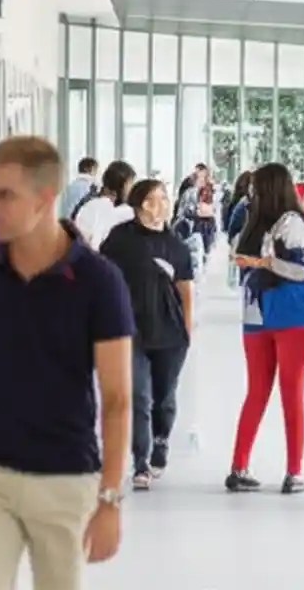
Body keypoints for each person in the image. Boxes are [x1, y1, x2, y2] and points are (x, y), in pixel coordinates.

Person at [0, 137, 134, 589]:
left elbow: (117, 398)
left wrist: (110, 498)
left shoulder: (100, 282)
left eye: (5, 196)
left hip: (67, 478)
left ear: (45, 198)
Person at [226, 163, 304, 494]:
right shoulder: (266, 224)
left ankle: (253, 467)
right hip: (281, 316)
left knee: (268, 393)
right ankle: (287, 472)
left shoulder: (285, 224)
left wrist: (263, 263)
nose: (253, 194)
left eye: (257, 188)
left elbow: (299, 270)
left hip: (270, 316)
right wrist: (262, 263)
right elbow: (301, 273)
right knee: (284, 394)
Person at [101, 179, 196, 491]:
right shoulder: (119, 240)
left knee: (164, 397)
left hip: (170, 332)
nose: (160, 206)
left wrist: (188, 327)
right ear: (139, 205)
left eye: (164, 199)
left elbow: (186, 291)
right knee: (139, 396)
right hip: (130, 330)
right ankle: (140, 461)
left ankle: (160, 442)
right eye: (153, 200)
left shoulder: (177, 247)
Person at [75, 160, 137, 250]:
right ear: (120, 185)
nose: (132, 189)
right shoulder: (106, 208)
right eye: (130, 184)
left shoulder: (91, 204)